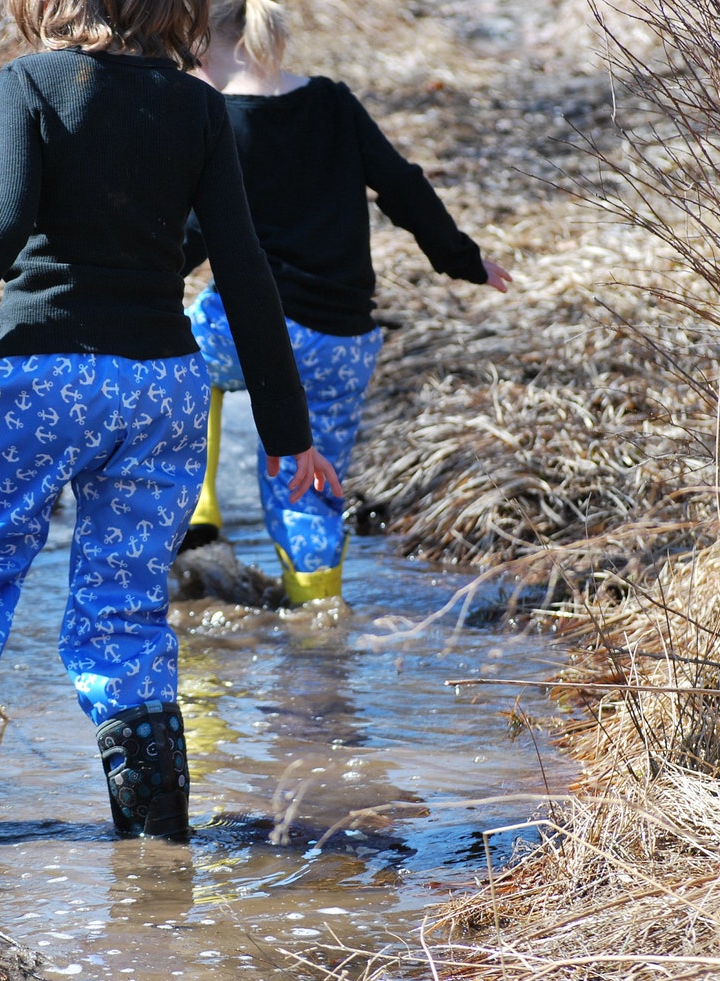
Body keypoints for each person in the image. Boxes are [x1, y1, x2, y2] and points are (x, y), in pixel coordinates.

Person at [0, 0, 341, 844]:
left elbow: (4, 218)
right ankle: (159, 849)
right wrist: (289, 433)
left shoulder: (29, 81)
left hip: (41, 375)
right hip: (159, 386)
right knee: (126, 608)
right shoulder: (199, 104)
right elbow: (242, 268)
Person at [180, 0, 512, 603]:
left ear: (201, 47)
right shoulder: (332, 100)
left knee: (180, 347)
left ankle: (197, 507)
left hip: (248, 329)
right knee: (309, 481)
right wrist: (463, 260)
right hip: (342, 340)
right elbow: (401, 183)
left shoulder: (213, 118)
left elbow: (195, 231)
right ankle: (316, 626)